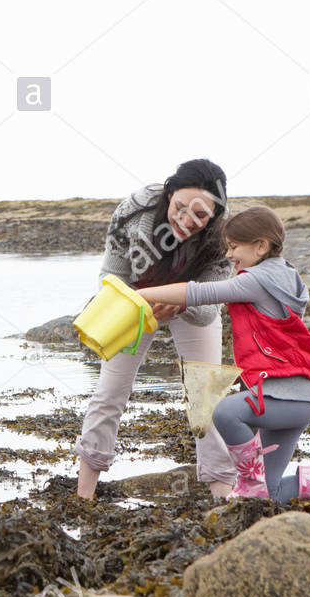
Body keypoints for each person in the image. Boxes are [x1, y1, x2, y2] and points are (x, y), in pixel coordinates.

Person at [136, 205, 310, 517]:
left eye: (234, 246)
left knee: (225, 412)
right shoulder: (286, 277)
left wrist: (142, 294)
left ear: (261, 246)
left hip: (284, 396)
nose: (229, 254)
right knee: (269, 493)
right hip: (298, 398)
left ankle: (247, 481)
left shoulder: (256, 281)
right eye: (227, 246)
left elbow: (198, 293)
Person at [74, 159, 237, 499]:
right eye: (180, 208)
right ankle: (83, 495)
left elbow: (209, 311)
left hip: (192, 302)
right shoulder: (135, 210)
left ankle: (223, 495)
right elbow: (110, 276)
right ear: (168, 193)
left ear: (214, 216)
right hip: (135, 300)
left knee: (206, 396)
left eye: (200, 216)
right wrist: (136, 304)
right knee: (110, 392)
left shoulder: (224, 237)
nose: (186, 221)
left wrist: (181, 303)